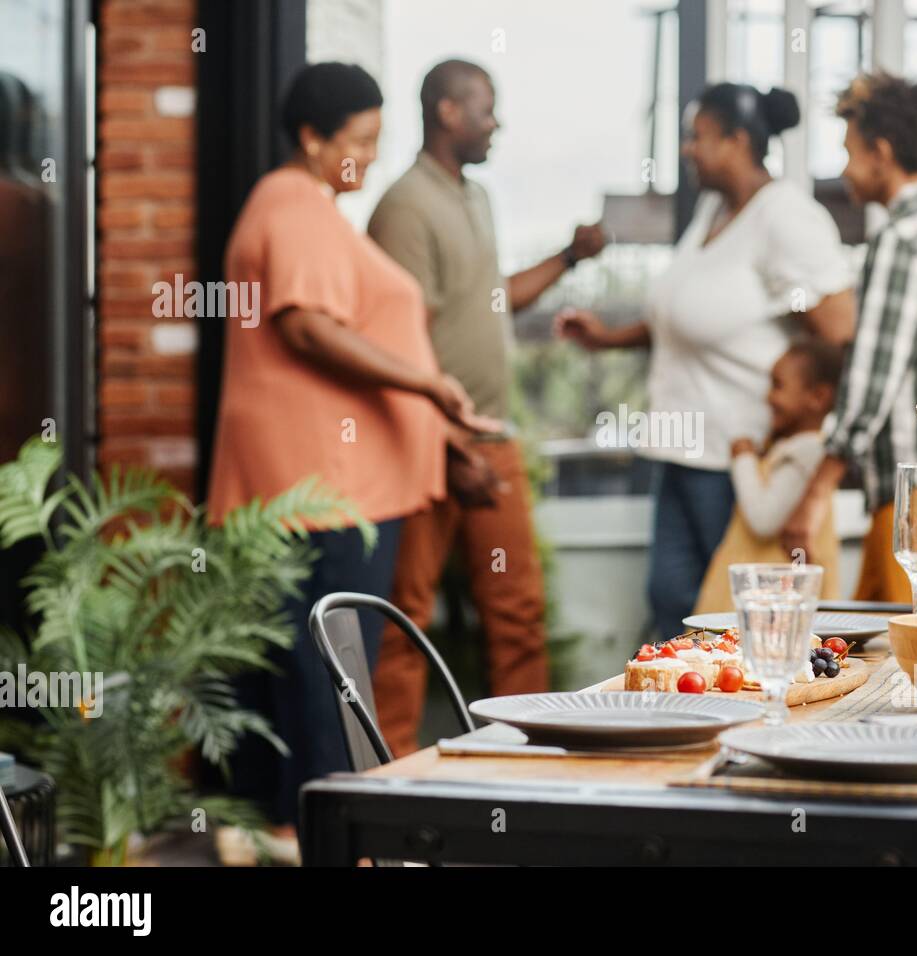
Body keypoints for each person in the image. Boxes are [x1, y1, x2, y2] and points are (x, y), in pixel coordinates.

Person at [206, 62, 496, 864]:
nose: (367, 157)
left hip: (319, 486)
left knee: (298, 673)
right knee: (328, 678)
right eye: (359, 141)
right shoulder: (294, 203)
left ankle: (279, 835)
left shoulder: (306, 206)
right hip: (321, 491)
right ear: (312, 137)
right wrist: (429, 386)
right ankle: (331, 843)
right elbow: (305, 325)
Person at [558, 82, 855, 643]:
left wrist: (812, 450)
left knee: (731, 620)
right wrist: (607, 340)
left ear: (738, 140)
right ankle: (686, 726)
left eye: (698, 137)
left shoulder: (784, 216)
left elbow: (838, 333)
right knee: (672, 604)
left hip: (734, 457)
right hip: (679, 446)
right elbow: (686, 315)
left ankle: (739, 727)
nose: (687, 150)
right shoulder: (716, 211)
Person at [367, 59, 605, 757]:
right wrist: (445, 442)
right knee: (405, 619)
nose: (495, 123)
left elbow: (491, 297)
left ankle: (528, 766)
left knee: (517, 613)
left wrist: (569, 257)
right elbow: (397, 336)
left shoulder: (474, 198)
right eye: (485, 108)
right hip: (427, 441)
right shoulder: (405, 205)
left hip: (491, 437)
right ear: (447, 111)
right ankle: (389, 781)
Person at [781, 73, 917, 604]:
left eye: (849, 151)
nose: (845, 168)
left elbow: (871, 380)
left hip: (914, 499)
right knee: (881, 652)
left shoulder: (898, 240)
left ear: (881, 151)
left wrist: (815, 492)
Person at [693, 338, 843, 614]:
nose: (768, 397)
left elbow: (763, 520)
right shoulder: (792, 448)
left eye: (778, 385)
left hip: (770, 602)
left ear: (818, 397)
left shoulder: (807, 452)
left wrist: (743, 459)